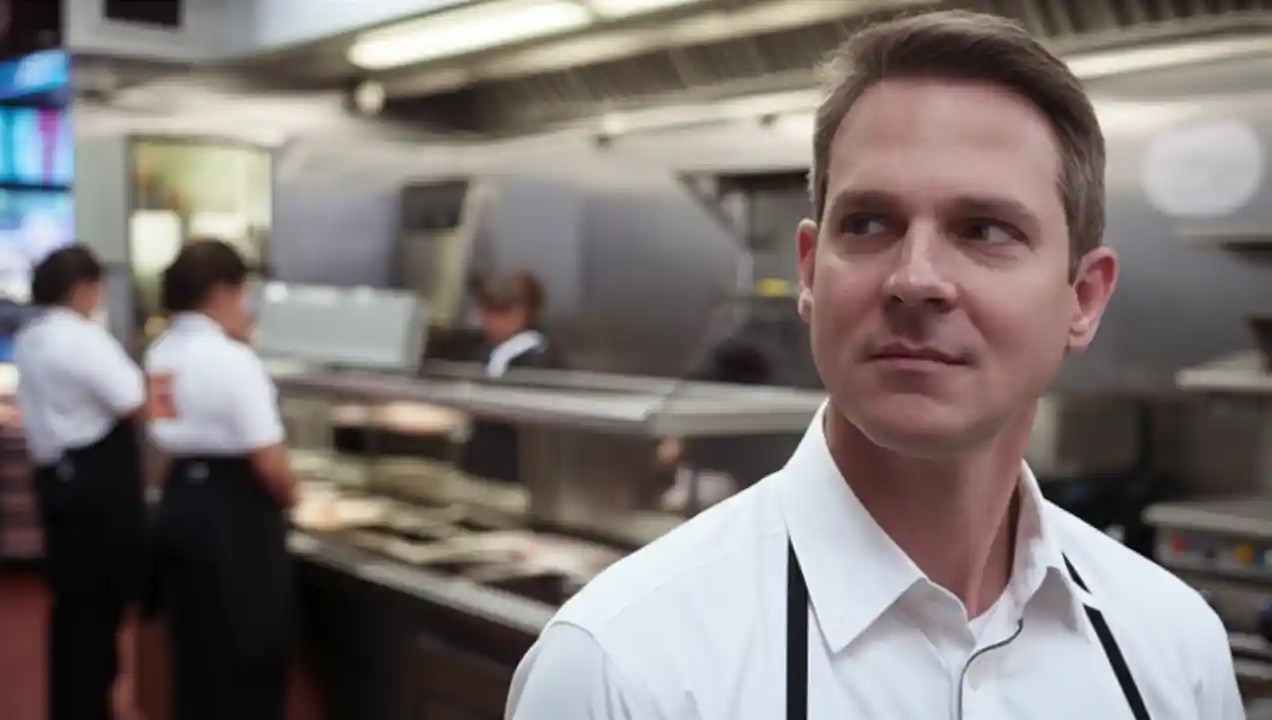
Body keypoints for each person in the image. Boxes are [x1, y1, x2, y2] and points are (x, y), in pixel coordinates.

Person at [507, 11, 1240, 719]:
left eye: (985, 230)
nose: (915, 278)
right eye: (868, 224)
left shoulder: (1174, 650)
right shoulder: (620, 670)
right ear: (809, 271)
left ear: (1083, 297)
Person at [144, 239, 299, 720]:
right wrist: (295, 498)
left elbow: (160, 434)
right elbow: (269, 461)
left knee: (195, 654)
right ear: (223, 291)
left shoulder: (161, 353)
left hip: (180, 500)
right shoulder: (234, 360)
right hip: (232, 514)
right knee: (247, 656)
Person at [16, 246, 146, 720]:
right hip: (96, 489)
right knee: (99, 610)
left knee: (71, 608)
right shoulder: (82, 338)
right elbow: (135, 400)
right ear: (82, 288)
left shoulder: (32, 337)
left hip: (56, 480)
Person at [457, 270, 563, 484]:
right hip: (481, 467)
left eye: (498, 311)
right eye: (485, 310)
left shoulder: (537, 356)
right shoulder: (489, 349)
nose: (488, 320)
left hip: (516, 473)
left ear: (523, 312)